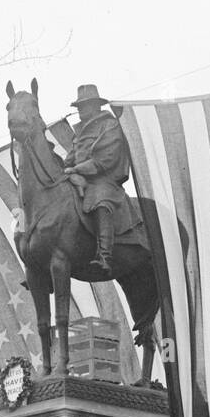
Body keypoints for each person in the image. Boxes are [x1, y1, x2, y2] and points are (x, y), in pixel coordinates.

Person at [63, 84, 132, 274]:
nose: (80, 110)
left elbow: (106, 159)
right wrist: (63, 171)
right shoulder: (80, 131)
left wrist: (75, 169)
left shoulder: (109, 125)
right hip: (80, 176)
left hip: (103, 179)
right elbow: (70, 158)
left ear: (95, 105)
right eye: (78, 107)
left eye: (84, 106)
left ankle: (104, 255)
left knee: (100, 200)